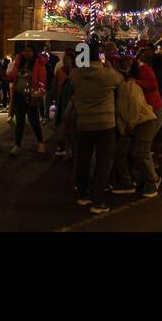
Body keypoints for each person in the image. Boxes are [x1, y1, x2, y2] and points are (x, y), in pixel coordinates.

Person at [71, 43, 124, 213]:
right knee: (104, 162)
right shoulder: (106, 74)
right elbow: (120, 79)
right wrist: (108, 66)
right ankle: (98, 200)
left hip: (84, 123)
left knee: (83, 160)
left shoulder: (75, 75)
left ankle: (83, 194)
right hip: (105, 124)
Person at [114, 60, 160, 197]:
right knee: (123, 152)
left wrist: (130, 125)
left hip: (144, 122)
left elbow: (135, 105)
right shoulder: (124, 87)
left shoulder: (130, 86)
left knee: (140, 152)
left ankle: (151, 184)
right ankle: (132, 182)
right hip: (137, 122)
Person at [7, 47, 47, 155]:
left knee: (34, 120)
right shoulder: (19, 62)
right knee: (19, 121)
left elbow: (42, 80)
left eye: (29, 50)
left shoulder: (38, 63)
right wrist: (11, 75)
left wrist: (39, 92)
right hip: (19, 95)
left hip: (31, 96)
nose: (26, 53)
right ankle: (17, 144)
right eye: (24, 50)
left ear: (33, 51)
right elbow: (12, 75)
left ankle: (41, 142)